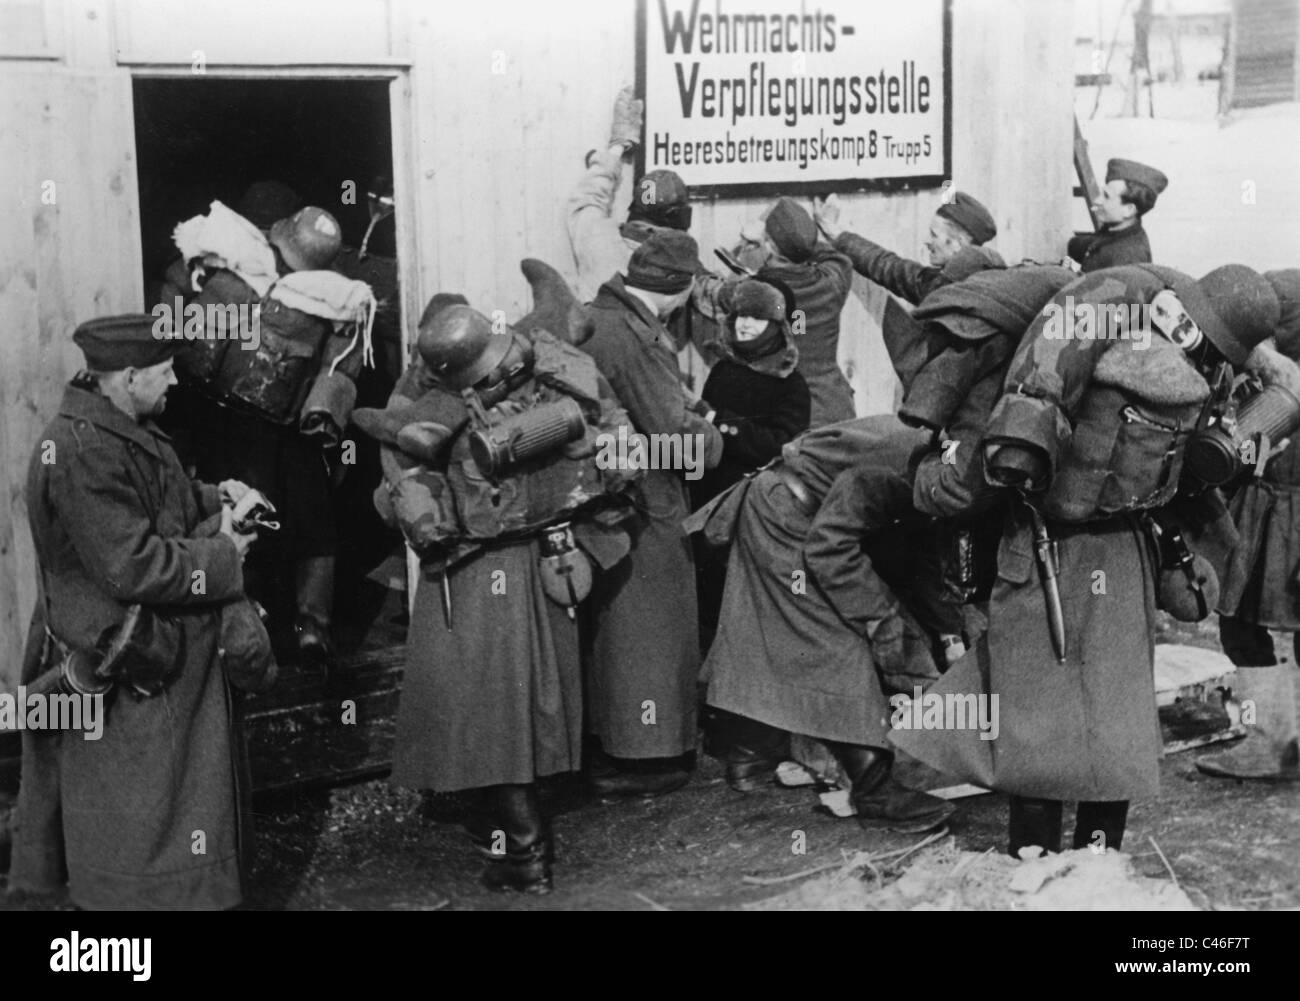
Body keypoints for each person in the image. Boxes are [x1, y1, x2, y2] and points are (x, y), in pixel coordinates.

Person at [894, 263, 1280, 857]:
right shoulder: (1198, 376)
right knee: (1105, 724)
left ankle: (1043, 859)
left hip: (1049, 550)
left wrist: (938, 474)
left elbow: (979, 477)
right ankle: (1094, 862)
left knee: (1042, 726)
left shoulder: (1106, 337)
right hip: (1115, 556)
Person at [370, 297, 638, 893]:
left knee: (492, 717)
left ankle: (525, 853)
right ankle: (513, 836)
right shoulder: (546, 375)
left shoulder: (441, 418)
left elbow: (408, 495)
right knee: (532, 705)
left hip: (478, 572)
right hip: (550, 558)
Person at [8, 315, 257, 909]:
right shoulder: (83, 451)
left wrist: (215, 496)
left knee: (161, 807)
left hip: (147, 650)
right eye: (165, 371)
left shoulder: (117, 426)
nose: (175, 381)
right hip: (122, 656)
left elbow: (154, 499)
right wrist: (225, 555)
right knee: (143, 818)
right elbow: (132, 564)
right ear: (127, 376)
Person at [176, 204, 374, 667]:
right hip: (296, 432)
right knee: (314, 525)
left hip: (230, 424)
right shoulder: (337, 301)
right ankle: (312, 627)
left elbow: (194, 361)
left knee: (242, 516)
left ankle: (248, 624)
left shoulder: (231, 282)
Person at [579, 230, 724, 797]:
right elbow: (679, 440)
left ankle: (613, 745)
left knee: (616, 630)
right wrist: (711, 434)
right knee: (649, 629)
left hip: (611, 497)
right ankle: (643, 756)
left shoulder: (600, 317)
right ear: (681, 290)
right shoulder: (636, 339)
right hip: (647, 501)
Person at [1199, 268, 1300, 782]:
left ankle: (1271, 743)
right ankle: (1283, 740)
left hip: (1274, 513)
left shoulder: (1281, 392)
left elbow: (1247, 453)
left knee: (1241, 627)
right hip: (1275, 507)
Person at [689, 278, 811, 648]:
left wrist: (718, 422)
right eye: (740, 315)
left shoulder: (791, 385)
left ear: (776, 326)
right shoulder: (724, 370)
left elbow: (781, 446)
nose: (743, 324)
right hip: (708, 497)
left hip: (752, 505)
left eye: (755, 318)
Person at [735, 198, 856, 426]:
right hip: (834, 412)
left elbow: (716, 292)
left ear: (769, 245)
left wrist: (747, 246)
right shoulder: (832, 282)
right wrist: (806, 235)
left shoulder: (760, 294)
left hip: (784, 416)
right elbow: (834, 256)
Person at [814, 189, 1001, 306]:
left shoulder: (946, 291)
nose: (927, 241)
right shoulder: (994, 279)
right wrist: (837, 234)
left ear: (957, 244)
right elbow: (888, 266)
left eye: (934, 235)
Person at [1066, 158, 1167, 273]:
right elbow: (1093, 243)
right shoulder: (1118, 232)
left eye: (1106, 196)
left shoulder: (1125, 259)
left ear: (1128, 210)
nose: (1097, 200)